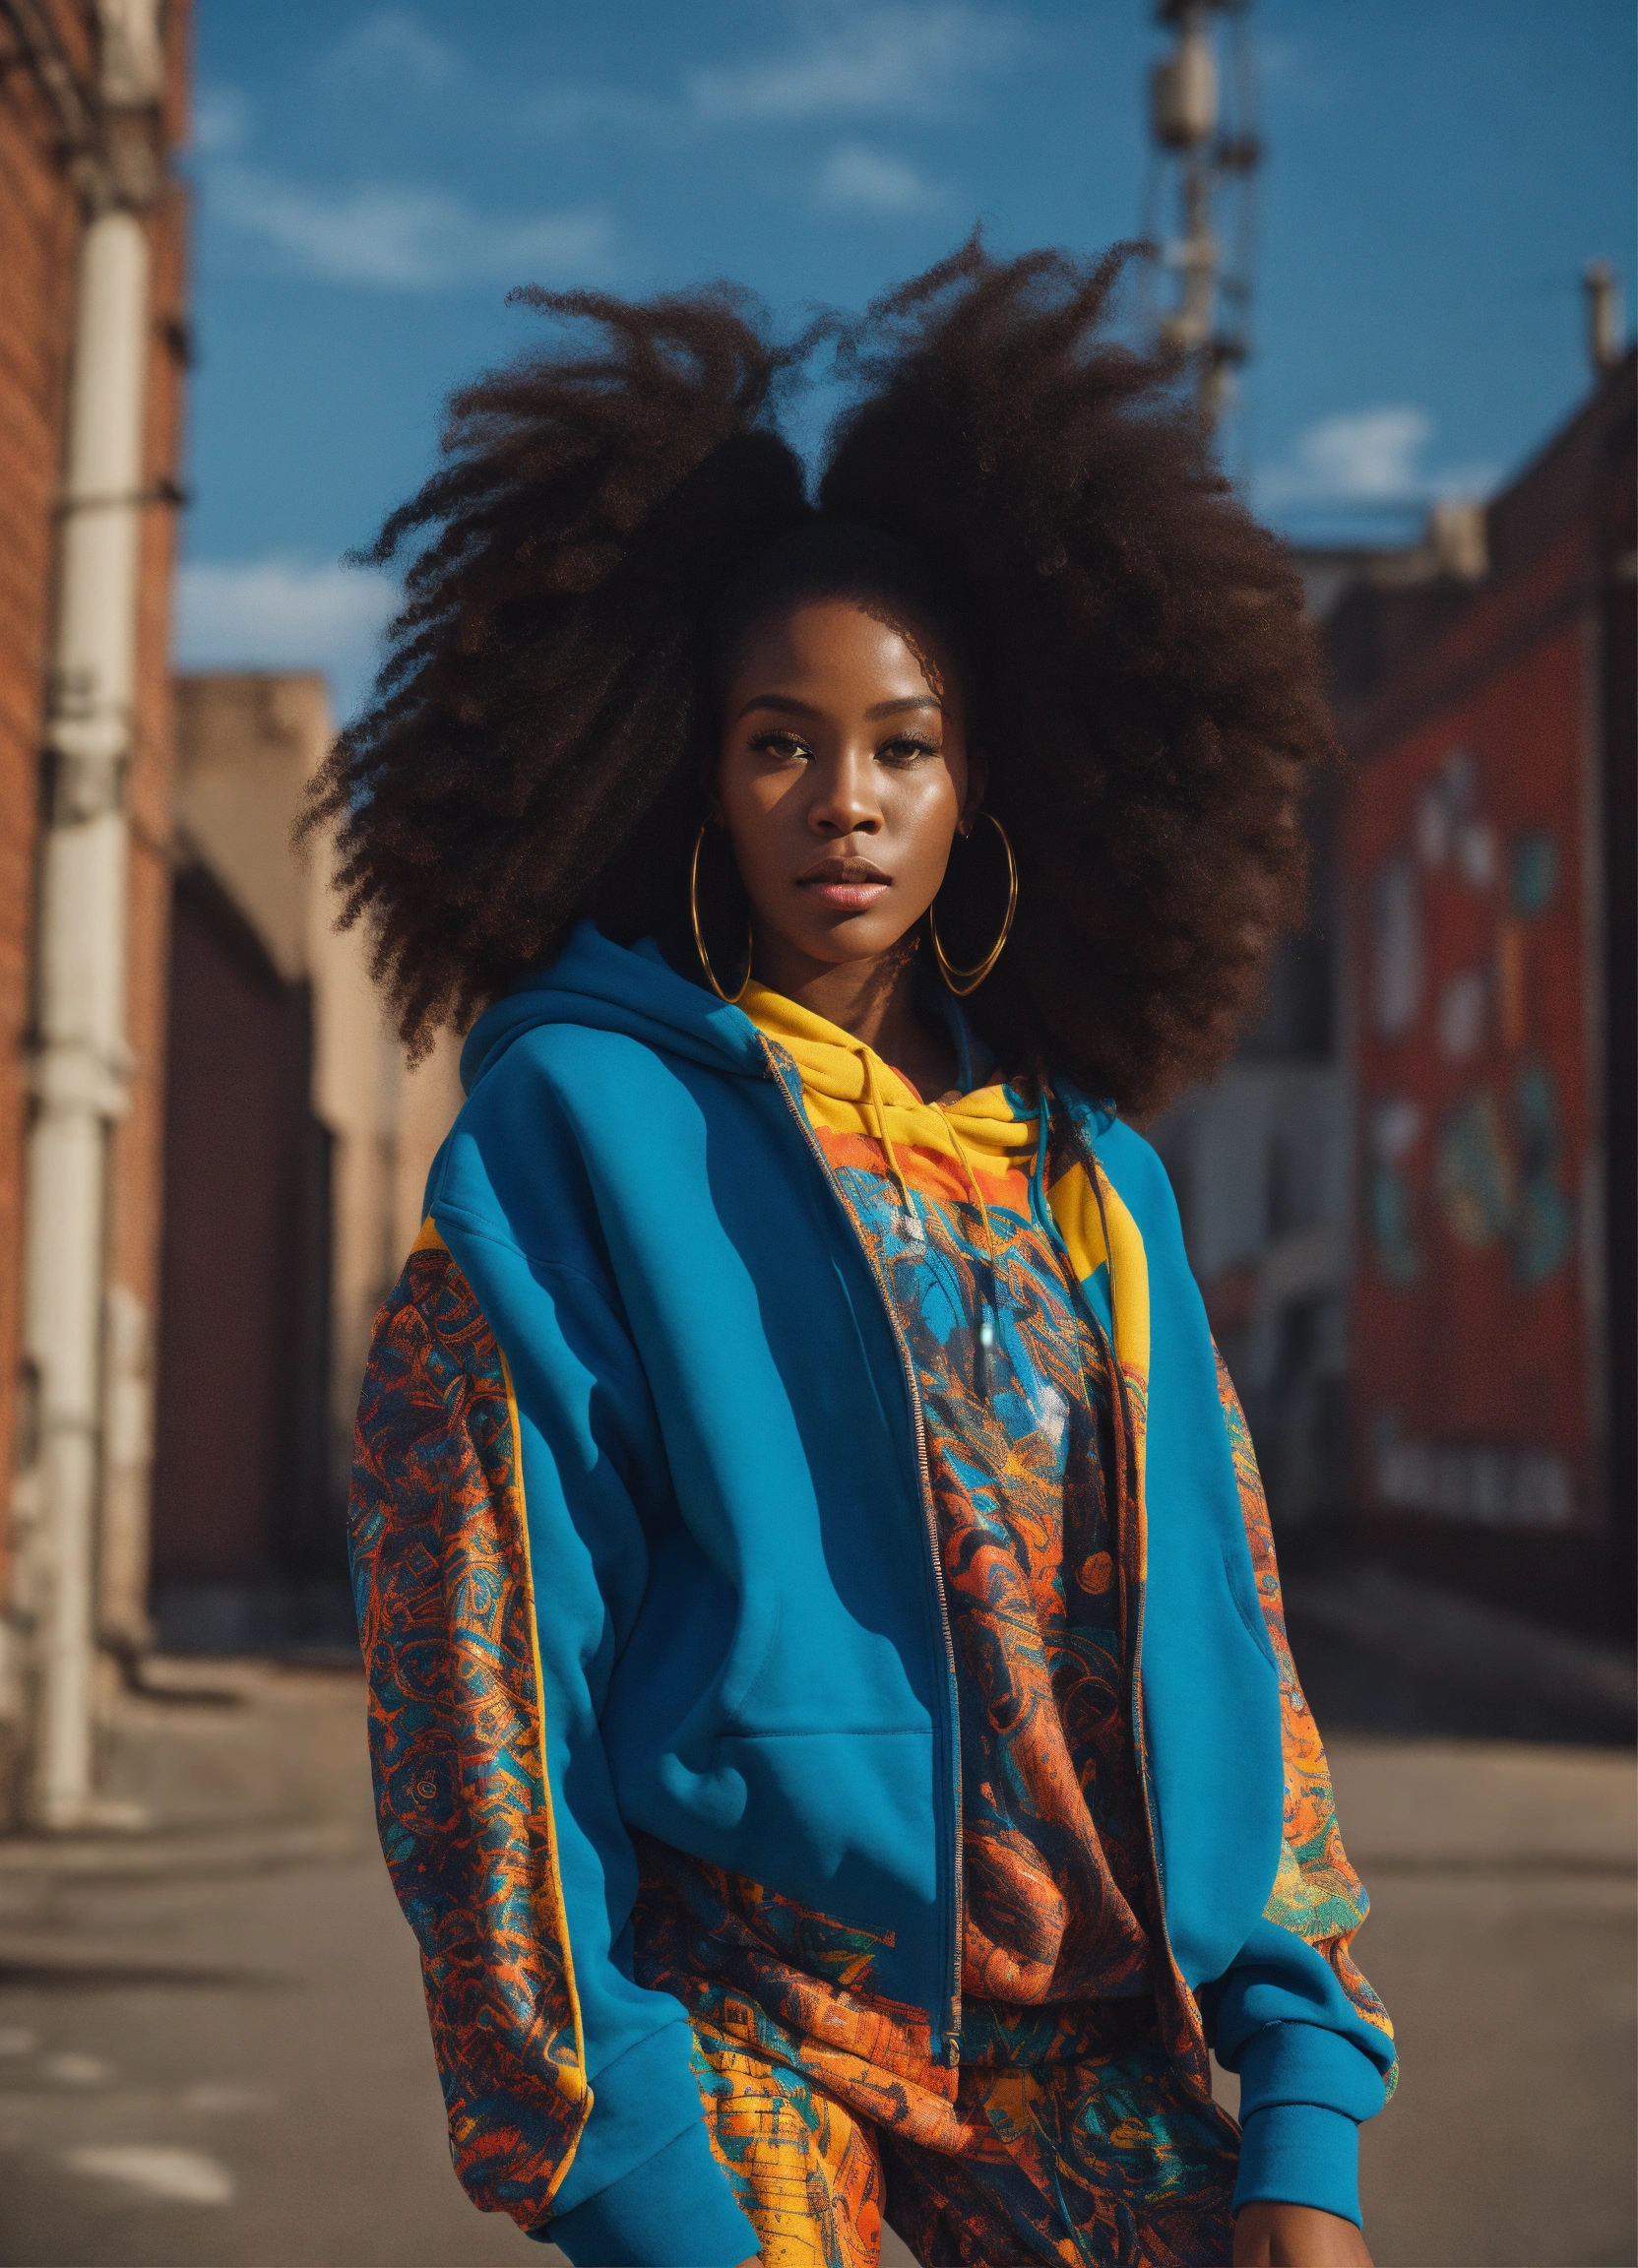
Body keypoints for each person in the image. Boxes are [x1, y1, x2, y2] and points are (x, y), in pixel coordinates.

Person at [319, 242, 1396, 2268]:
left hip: (1089, 2043)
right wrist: (618, 2151)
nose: (846, 803)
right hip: (752, 2021)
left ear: (982, 777)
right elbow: (475, 1688)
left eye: (904, 745)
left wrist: (1301, 2116)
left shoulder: (1093, 1183)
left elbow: (1232, 1656)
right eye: (777, 744)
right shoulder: (574, 1137)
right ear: (693, 773)